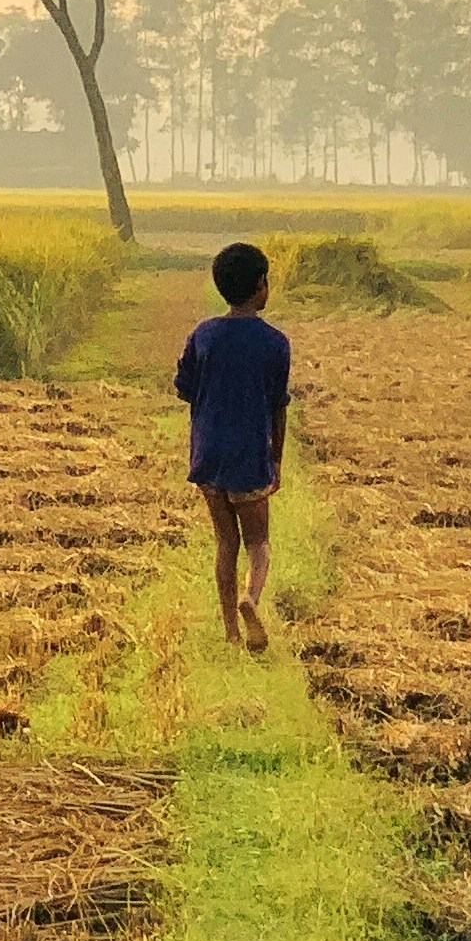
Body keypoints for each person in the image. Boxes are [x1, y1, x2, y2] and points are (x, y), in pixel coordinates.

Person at [174, 241, 292, 651]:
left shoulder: (203, 334)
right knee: (258, 542)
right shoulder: (275, 343)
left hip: (208, 455)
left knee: (226, 542)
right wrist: (275, 461)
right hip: (249, 457)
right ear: (261, 286)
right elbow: (279, 406)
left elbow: (185, 388)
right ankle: (250, 598)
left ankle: (229, 631)